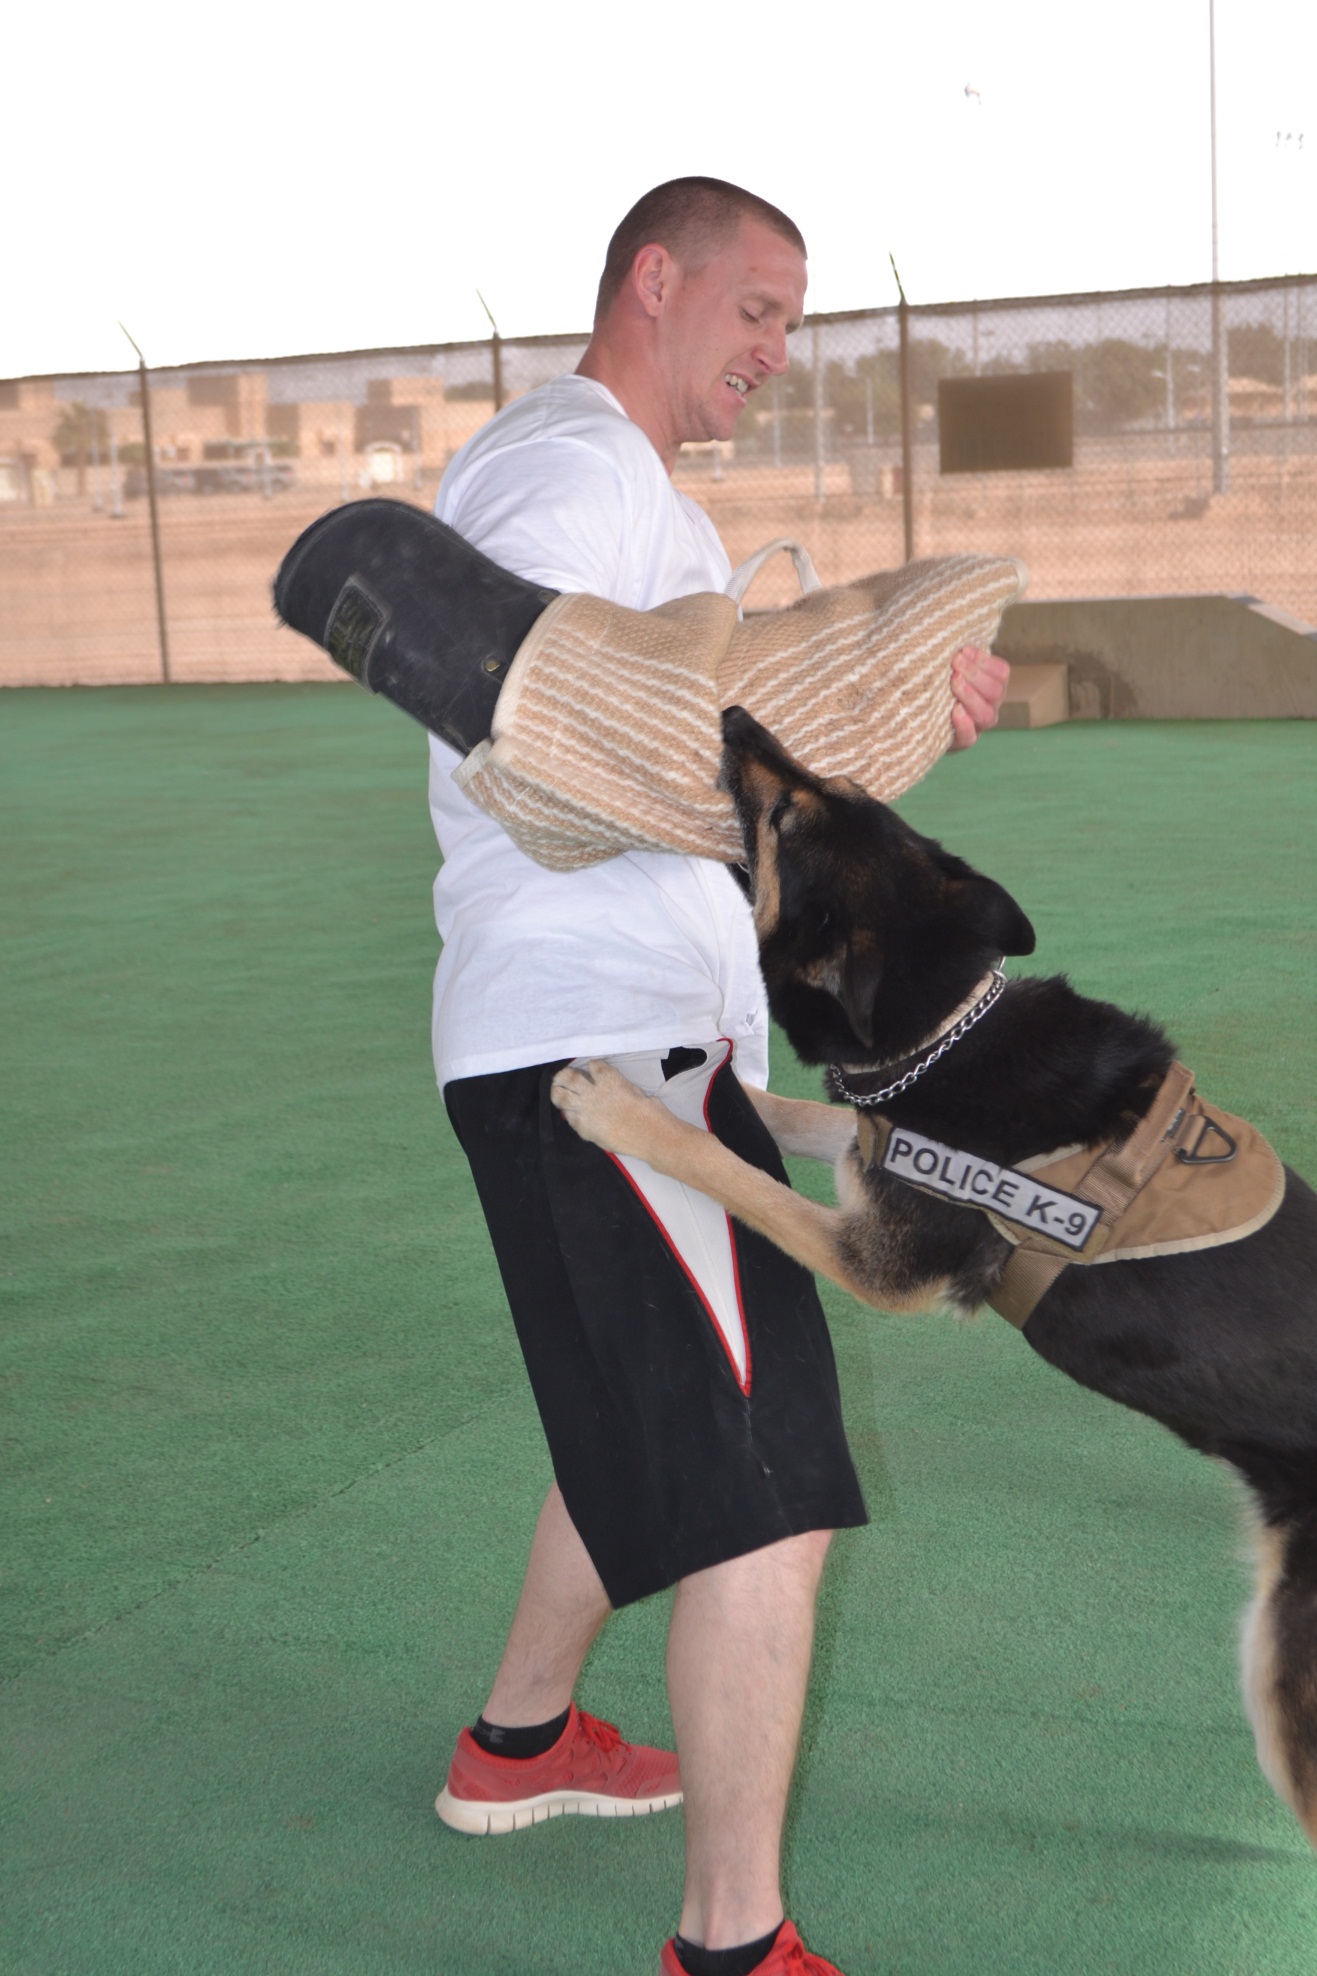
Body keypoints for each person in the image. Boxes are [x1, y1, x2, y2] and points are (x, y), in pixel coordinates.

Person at [426, 177, 1008, 1976]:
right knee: (766, 1491)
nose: (775, 351)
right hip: (607, 1046)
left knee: (648, 1410)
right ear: (650, 280)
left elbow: (693, 747)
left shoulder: (645, 496)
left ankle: (516, 1746)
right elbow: (517, 690)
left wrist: (872, 710)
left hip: (622, 1038)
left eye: (792, 321)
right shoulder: (570, 466)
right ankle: (732, 1949)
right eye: (755, 309)